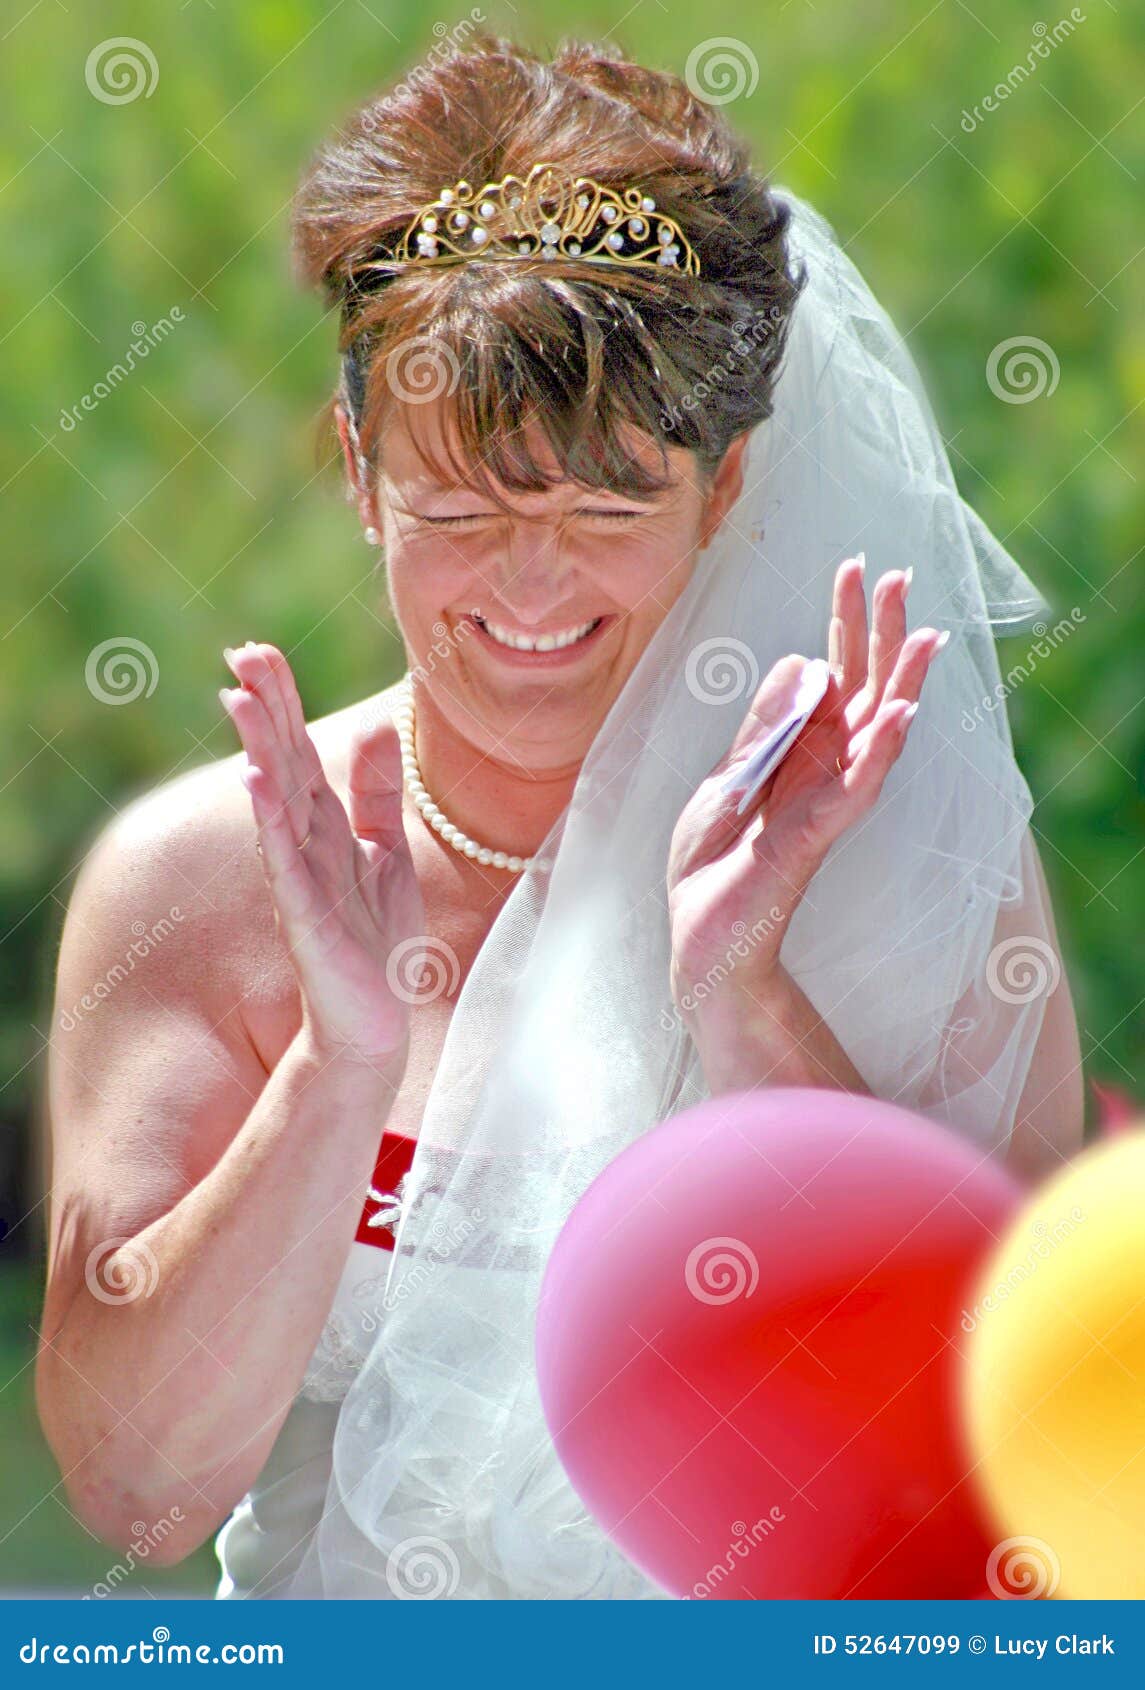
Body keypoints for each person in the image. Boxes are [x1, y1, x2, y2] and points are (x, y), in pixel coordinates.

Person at [37, 34, 1084, 1600]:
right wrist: (339, 1063)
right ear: (358, 470)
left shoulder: (902, 858)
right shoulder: (201, 875)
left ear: (722, 491)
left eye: (609, 511)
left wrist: (742, 994)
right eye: (462, 513)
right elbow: (134, 1496)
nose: (531, 591)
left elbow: (975, 1476)